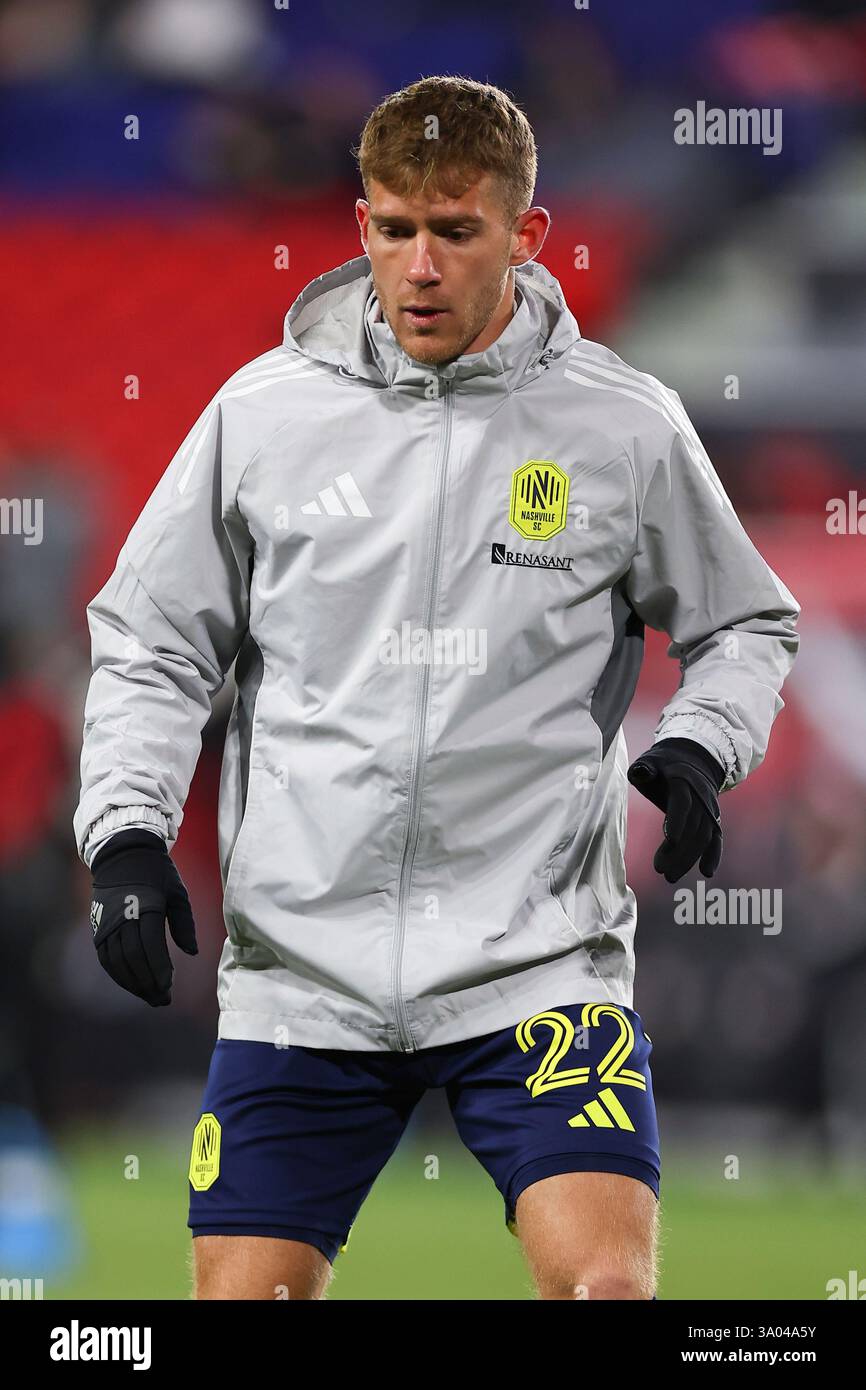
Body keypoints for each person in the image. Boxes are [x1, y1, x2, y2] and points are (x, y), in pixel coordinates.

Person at [74, 76, 800, 1300]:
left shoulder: (622, 428)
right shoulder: (262, 416)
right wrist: (126, 834)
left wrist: (700, 743)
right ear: (360, 223)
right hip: (304, 970)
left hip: (537, 962)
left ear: (525, 234)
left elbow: (743, 621)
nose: (419, 266)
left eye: (455, 231)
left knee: (603, 1291)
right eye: (396, 228)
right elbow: (151, 642)